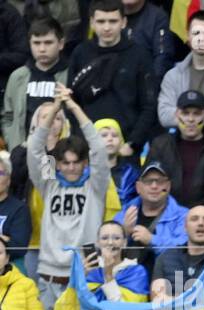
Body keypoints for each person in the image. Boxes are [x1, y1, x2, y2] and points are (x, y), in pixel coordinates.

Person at [28, 90, 110, 310]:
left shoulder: (95, 184)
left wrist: (72, 106)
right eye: (65, 163)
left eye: (76, 163)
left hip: (85, 278)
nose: (71, 168)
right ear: (58, 164)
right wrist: (55, 106)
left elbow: (99, 148)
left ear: (85, 163)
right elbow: (35, 149)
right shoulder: (49, 182)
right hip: (49, 279)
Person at [65, 0, 157, 156]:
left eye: (113, 21)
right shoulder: (80, 53)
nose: (107, 27)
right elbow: (71, 103)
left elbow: (148, 106)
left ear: (123, 22)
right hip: (87, 149)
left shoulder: (139, 55)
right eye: (101, 21)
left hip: (127, 150)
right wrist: (80, 143)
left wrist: (133, 144)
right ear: (92, 23)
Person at [147, 89, 204, 209]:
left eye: (196, 113)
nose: (191, 119)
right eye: (185, 113)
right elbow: (149, 182)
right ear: (177, 114)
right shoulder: (161, 145)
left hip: (203, 216)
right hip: (167, 215)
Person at [2, 17, 68, 152]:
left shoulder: (69, 74)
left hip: (61, 151)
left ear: (61, 44)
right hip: (24, 150)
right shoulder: (18, 76)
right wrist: (14, 144)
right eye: (36, 43)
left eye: (48, 42)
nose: (42, 49)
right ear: (29, 44)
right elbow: (7, 116)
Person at [114, 161, 188, 273]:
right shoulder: (124, 213)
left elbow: (185, 249)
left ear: (168, 186)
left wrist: (151, 239)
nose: (154, 186)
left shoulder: (184, 216)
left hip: (167, 281)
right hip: (128, 283)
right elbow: (106, 249)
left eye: (160, 181)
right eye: (148, 181)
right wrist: (124, 233)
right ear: (138, 187)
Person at [150, 204, 204, 301]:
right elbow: (157, 300)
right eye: (194, 219)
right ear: (185, 227)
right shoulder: (166, 257)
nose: (201, 223)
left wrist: (173, 300)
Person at [0, 151, 32, 254]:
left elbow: (18, 248)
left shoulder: (19, 209)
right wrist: (4, 239)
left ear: (9, 180)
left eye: (0, 173)